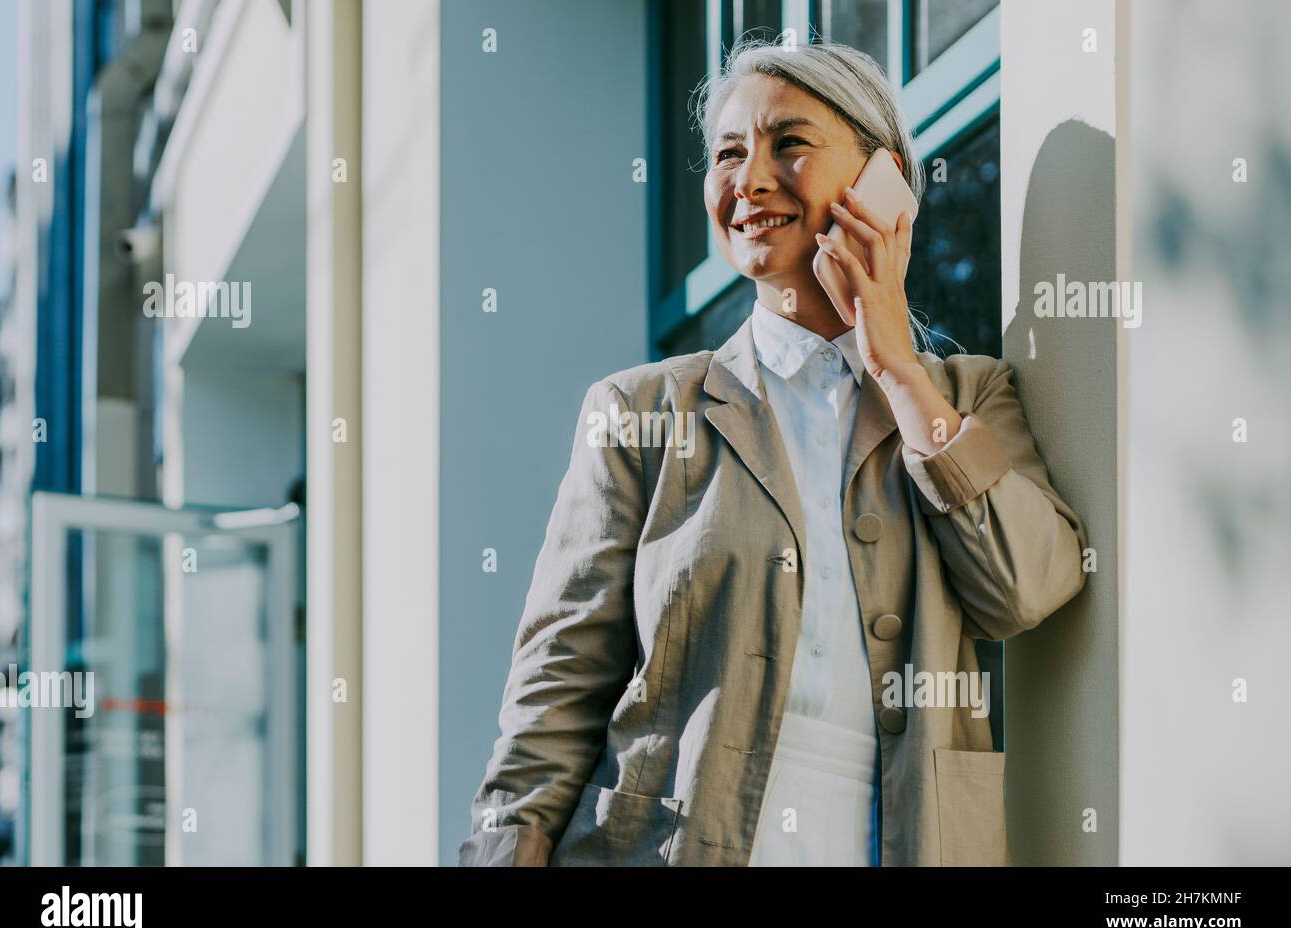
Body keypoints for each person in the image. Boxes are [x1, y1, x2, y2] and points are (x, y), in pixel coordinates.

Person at [459, 37, 1087, 867]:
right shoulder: (640, 413)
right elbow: (555, 696)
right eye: (728, 154)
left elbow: (1027, 586)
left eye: (789, 144)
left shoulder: (968, 399)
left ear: (883, 176)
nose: (749, 180)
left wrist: (896, 366)